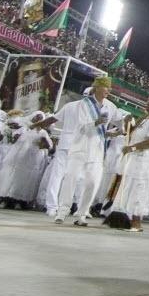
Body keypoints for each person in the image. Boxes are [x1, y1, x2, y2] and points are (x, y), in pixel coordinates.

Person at [45, 77, 128, 226]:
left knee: (92, 182)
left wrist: (121, 128)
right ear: (96, 88)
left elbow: (119, 119)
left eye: (109, 88)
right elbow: (81, 127)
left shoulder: (110, 106)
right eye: (105, 87)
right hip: (80, 146)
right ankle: (62, 212)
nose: (108, 90)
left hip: (97, 149)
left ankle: (82, 214)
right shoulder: (83, 105)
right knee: (71, 178)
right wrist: (96, 122)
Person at [109, 85, 149, 232]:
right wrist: (127, 122)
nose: (147, 102)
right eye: (148, 100)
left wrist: (132, 148)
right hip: (137, 160)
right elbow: (130, 131)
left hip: (147, 162)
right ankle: (129, 220)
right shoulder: (145, 118)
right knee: (132, 189)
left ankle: (136, 224)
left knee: (140, 189)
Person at [0, 111, 52, 209]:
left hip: (30, 158)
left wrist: (44, 142)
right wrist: (15, 137)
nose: (38, 119)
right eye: (36, 117)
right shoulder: (24, 128)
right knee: (11, 176)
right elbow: (13, 140)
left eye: (40, 118)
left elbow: (48, 147)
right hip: (16, 156)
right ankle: (5, 199)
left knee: (23, 179)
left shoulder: (43, 132)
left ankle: (17, 201)